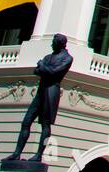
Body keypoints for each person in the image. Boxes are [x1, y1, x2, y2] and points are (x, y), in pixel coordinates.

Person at [6, 33, 73, 162]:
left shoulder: (67, 58)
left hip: (51, 92)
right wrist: (44, 69)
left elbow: (53, 73)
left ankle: (39, 155)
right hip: (41, 91)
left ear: (59, 44)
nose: (51, 44)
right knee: (26, 122)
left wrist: (42, 66)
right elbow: (37, 71)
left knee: (45, 125)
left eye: (53, 43)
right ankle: (17, 153)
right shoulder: (48, 57)